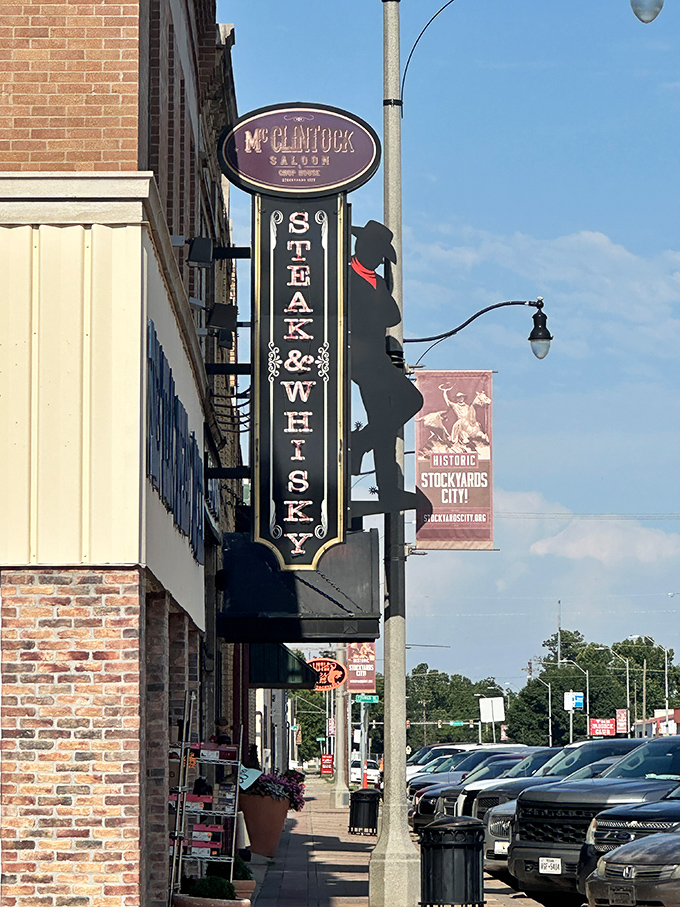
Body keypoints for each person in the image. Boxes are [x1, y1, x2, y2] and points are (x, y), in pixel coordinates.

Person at [349, 220, 426, 515]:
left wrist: (385, 282)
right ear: (363, 247)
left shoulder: (376, 281)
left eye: (384, 256)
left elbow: (392, 315)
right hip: (358, 355)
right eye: (379, 252)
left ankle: (387, 490)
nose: (381, 260)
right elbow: (376, 315)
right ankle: (361, 442)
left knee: (382, 419)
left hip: (375, 357)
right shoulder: (345, 274)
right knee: (411, 399)